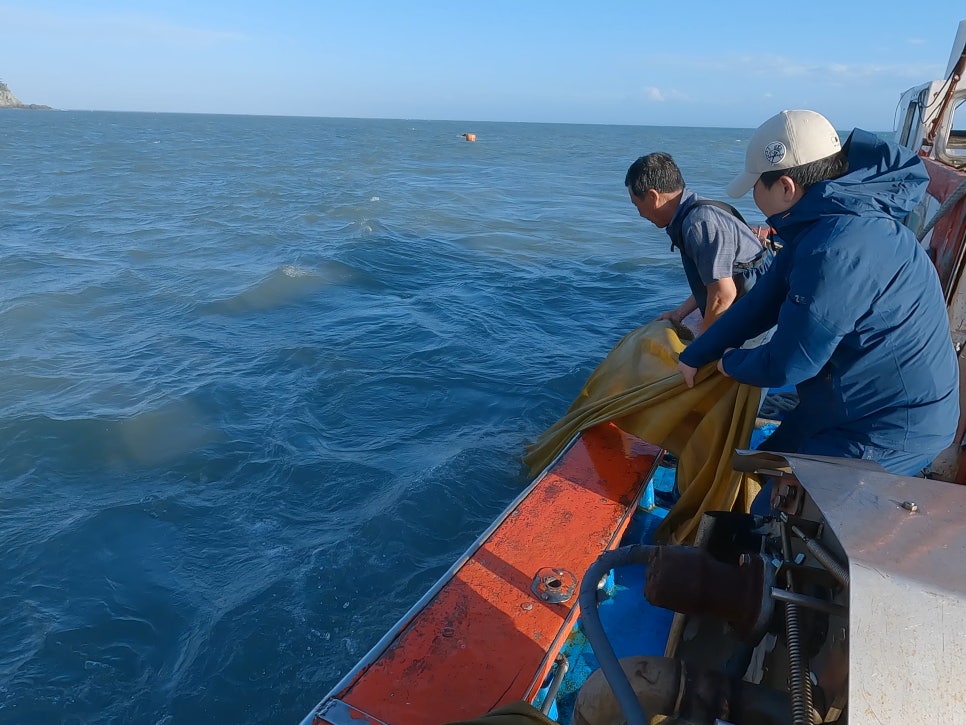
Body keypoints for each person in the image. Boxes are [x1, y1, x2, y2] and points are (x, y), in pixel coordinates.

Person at [677, 109, 959, 478]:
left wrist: (730, 363)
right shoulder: (822, 223)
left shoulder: (835, 249)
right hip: (851, 395)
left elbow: (790, 363)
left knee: (779, 504)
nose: (753, 197)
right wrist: (697, 353)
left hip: (892, 425)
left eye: (755, 186)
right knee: (765, 462)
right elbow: (762, 302)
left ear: (786, 188)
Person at [625, 153, 773, 334]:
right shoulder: (696, 209)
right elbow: (713, 278)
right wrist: (679, 313)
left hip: (762, 312)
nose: (640, 213)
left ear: (652, 196)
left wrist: (701, 345)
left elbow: (722, 295)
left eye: (636, 205)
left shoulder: (698, 224)